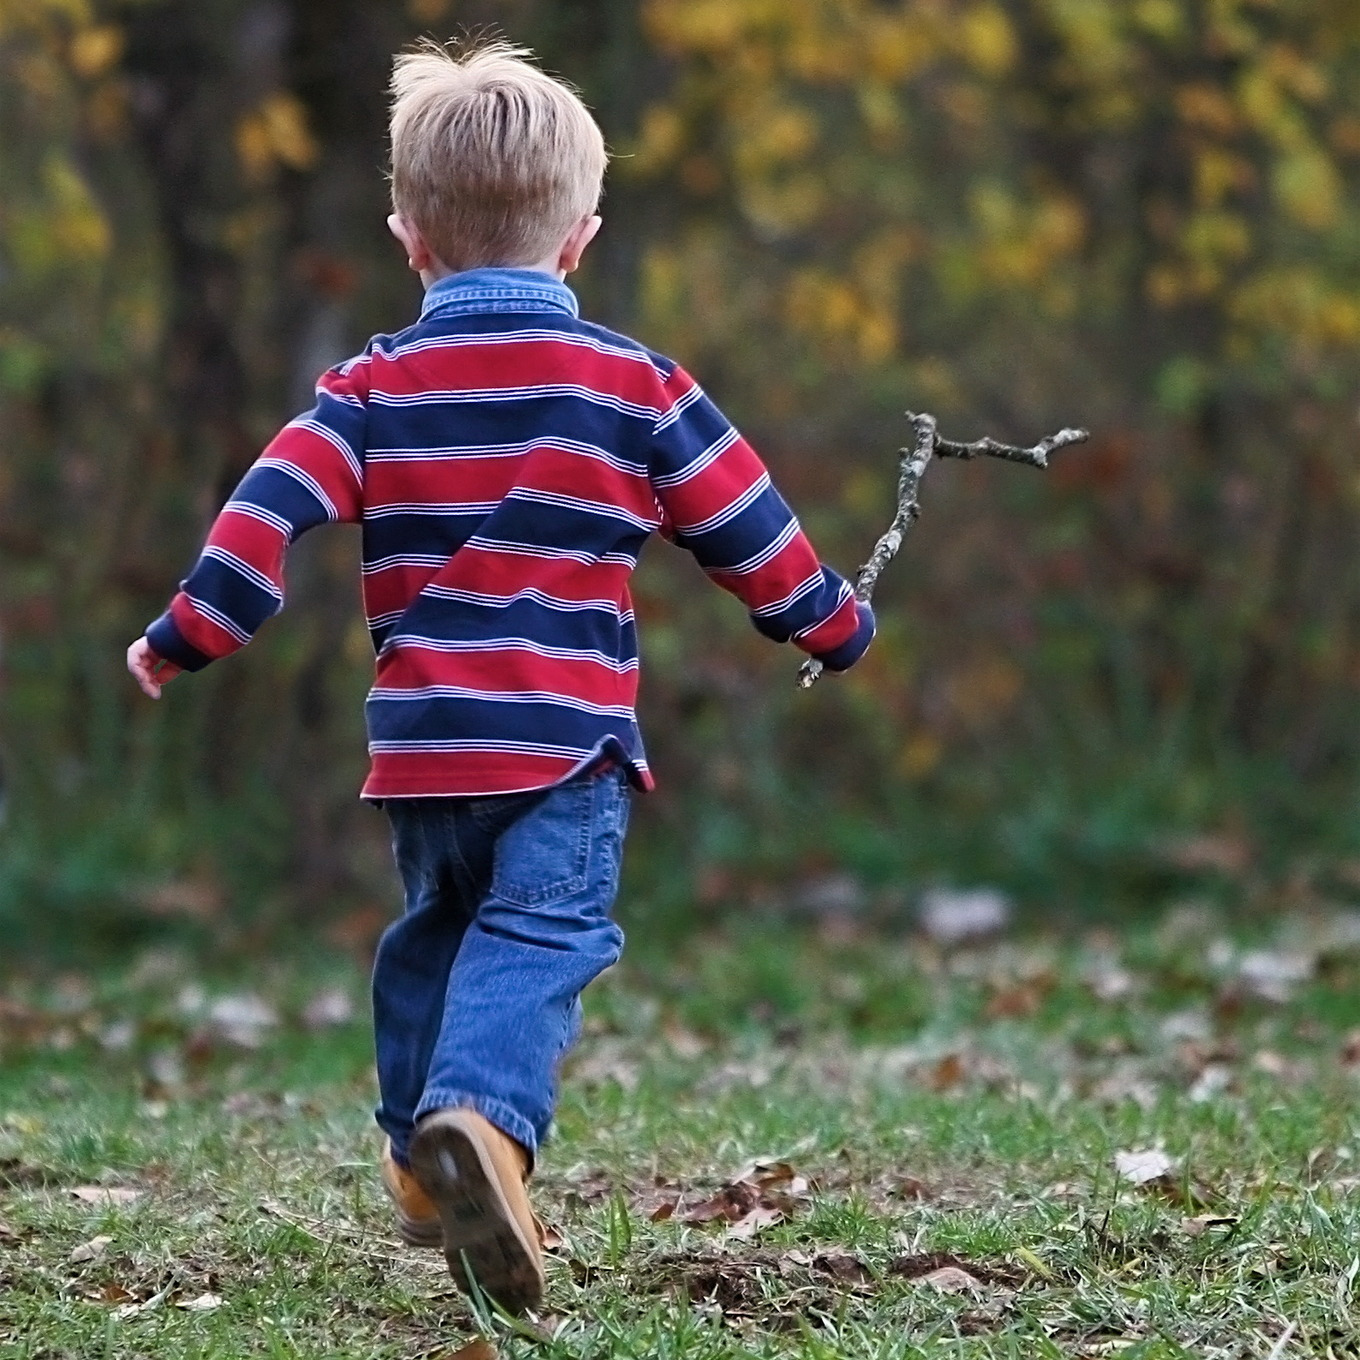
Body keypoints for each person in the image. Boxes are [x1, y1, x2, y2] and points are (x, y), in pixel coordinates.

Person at [126, 38, 874, 1315]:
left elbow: (263, 517)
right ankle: (480, 1125)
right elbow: (746, 522)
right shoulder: (633, 386)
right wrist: (826, 622)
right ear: (579, 237)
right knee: (544, 932)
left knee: (436, 932)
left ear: (409, 236)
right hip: (563, 742)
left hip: (426, 752)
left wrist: (189, 631)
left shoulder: (366, 388)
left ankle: (424, 1163)